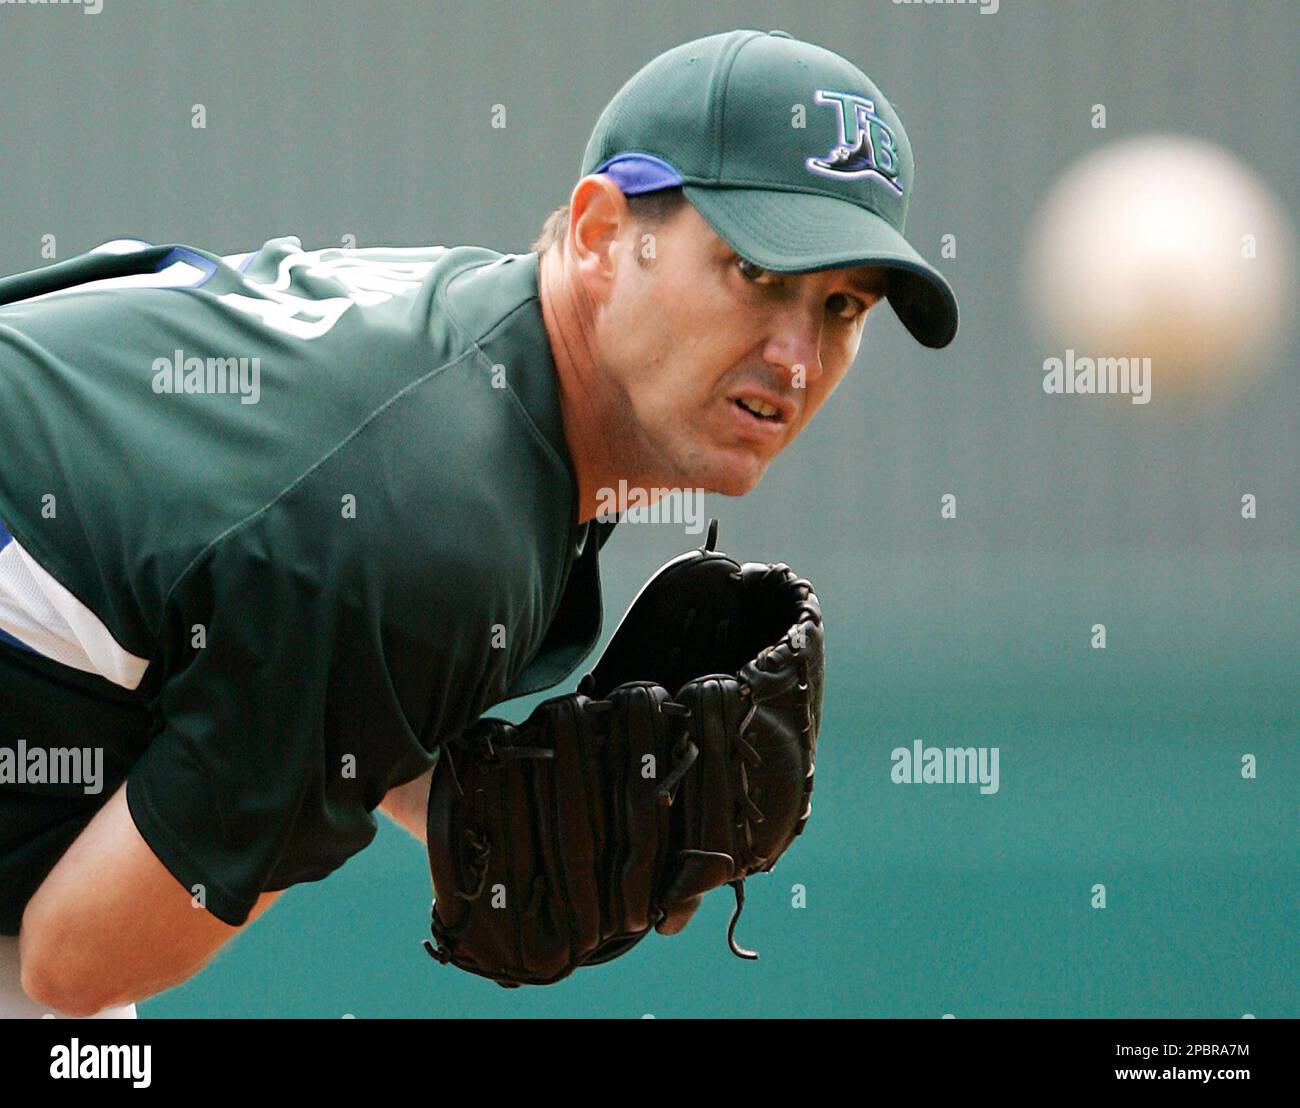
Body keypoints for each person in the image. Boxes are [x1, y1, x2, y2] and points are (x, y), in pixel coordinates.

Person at [0, 27, 956, 1018]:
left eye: (842, 307)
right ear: (596, 234)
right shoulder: (429, 527)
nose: (796, 355)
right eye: (755, 273)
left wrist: (425, 782)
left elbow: (275, 615)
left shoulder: (480, 371)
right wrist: (334, 785)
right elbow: (74, 964)